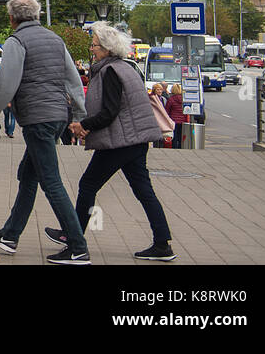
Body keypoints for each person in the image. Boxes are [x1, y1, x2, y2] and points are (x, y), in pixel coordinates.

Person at [44, 23, 176, 262]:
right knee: (143, 190)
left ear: (106, 48)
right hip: (135, 140)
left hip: (122, 141)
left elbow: (110, 112)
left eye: (94, 45)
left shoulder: (110, 72)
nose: (91, 49)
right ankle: (162, 244)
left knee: (88, 185)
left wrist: (84, 125)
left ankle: (75, 243)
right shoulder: (126, 68)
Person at [0, 0, 91, 265]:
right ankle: (9, 234)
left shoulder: (16, 41)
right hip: (57, 118)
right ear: (37, 16)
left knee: (51, 181)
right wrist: (79, 116)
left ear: (11, 18)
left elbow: (6, 83)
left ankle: (77, 247)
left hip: (37, 119)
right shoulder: (55, 40)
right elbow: (73, 81)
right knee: (28, 176)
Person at [166, 84, 188, 149]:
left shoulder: (171, 99)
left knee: (174, 136)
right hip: (183, 120)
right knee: (181, 136)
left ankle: (174, 148)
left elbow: (167, 110)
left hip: (174, 121)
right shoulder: (184, 99)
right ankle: (180, 147)